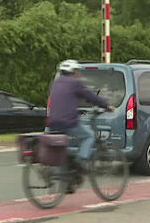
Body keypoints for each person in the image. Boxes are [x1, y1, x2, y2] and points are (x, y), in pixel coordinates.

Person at [46, 60, 113, 188]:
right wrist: (106, 105)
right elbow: (90, 96)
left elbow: (62, 100)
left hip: (52, 123)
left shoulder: (54, 83)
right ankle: (81, 161)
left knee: (62, 149)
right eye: (77, 72)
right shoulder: (74, 83)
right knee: (89, 136)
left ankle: (65, 182)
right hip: (68, 122)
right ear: (73, 72)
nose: (78, 74)